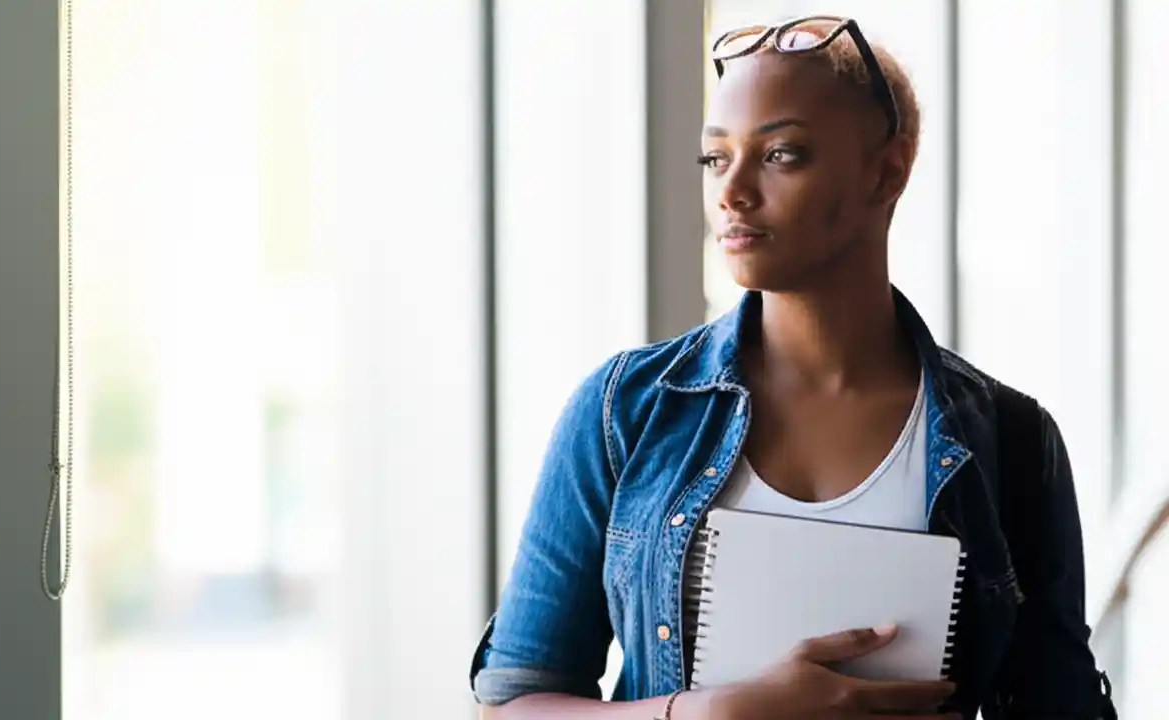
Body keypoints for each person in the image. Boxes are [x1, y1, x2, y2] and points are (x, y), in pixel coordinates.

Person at [469, 16, 1116, 720]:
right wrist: (715, 714)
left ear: (888, 169)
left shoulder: (1012, 440)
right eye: (715, 158)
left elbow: (1063, 705)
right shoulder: (626, 410)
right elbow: (513, 704)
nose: (733, 191)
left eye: (781, 154)